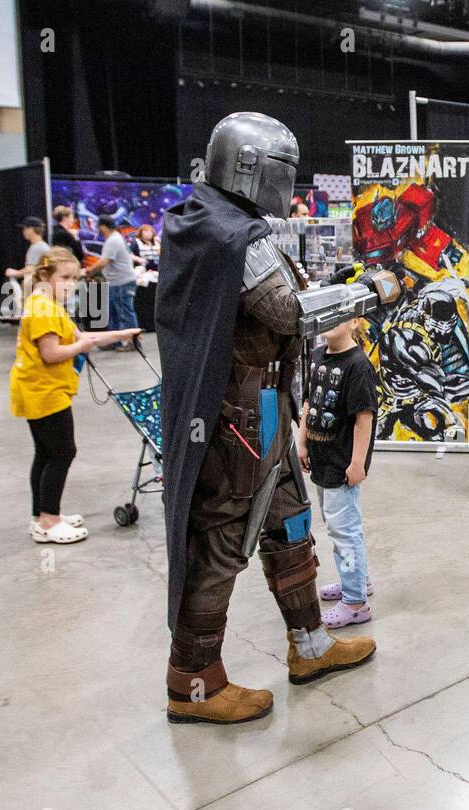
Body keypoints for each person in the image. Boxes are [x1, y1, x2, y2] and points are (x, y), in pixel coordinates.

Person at [156, 111, 404, 724]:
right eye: (282, 171)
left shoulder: (218, 223)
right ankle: (194, 682)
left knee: (290, 523)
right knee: (220, 540)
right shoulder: (227, 232)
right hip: (236, 418)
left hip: (264, 410)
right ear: (253, 168)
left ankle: (310, 644)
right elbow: (290, 314)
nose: (287, 185)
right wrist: (374, 290)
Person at [9, 248, 140, 544]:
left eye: (74, 279)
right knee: (62, 452)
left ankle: (42, 515)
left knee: (45, 453)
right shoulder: (44, 309)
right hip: (44, 392)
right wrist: (82, 348)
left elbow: (81, 337)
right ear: (45, 277)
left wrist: (120, 335)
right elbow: (52, 353)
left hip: (41, 390)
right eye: (64, 278)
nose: (70, 284)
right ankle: (50, 521)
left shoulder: (47, 305)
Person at [298, 314, 377, 628]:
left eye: (340, 315)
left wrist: (357, 463)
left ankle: (355, 602)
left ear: (355, 322)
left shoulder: (358, 365)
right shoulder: (318, 356)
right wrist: (302, 442)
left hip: (342, 464)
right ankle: (357, 581)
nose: (330, 321)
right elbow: (308, 403)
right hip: (320, 458)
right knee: (340, 526)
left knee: (344, 532)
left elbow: (364, 418)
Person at [85, 215, 141, 347]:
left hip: (121, 282)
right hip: (117, 282)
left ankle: (133, 343)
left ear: (103, 227)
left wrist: (88, 271)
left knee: (125, 313)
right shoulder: (115, 238)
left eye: (99, 226)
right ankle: (114, 342)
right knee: (115, 313)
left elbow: (105, 261)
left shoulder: (113, 240)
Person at [4, 217, 51, 283]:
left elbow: (31, 270)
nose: (23, 232)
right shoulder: (43, 246)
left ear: (31, 229)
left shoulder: (37, 248)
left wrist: (15, 273)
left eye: (25, 229)